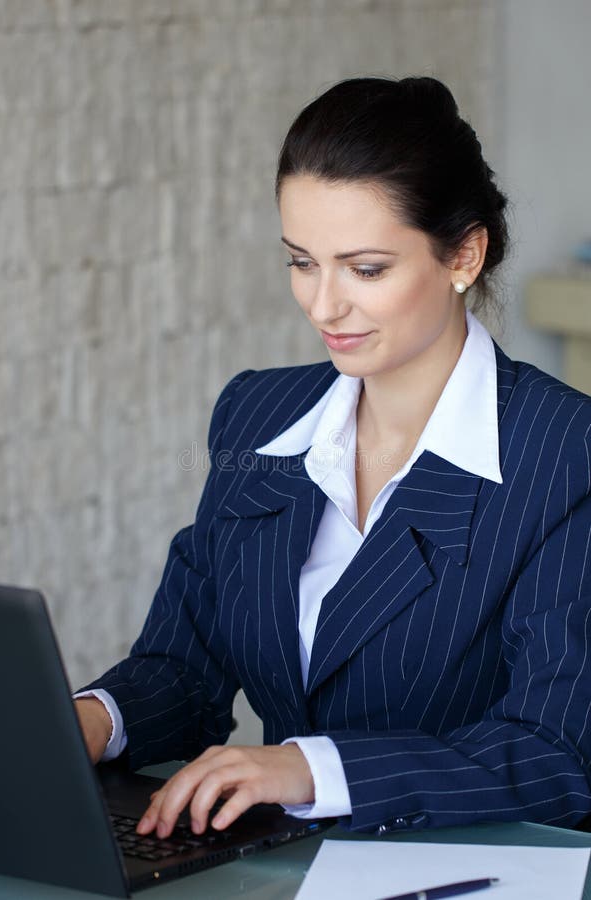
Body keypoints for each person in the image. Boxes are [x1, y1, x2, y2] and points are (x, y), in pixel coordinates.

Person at [75, 76, 591, 839]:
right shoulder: (258, 417)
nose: (323, 305)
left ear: (464, 254)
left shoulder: (564, 452)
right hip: (272, 868)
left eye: (366, 269)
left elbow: (556, 754)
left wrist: (311, 769)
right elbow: (184, 669)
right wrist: (86, 721)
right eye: (301, 261)